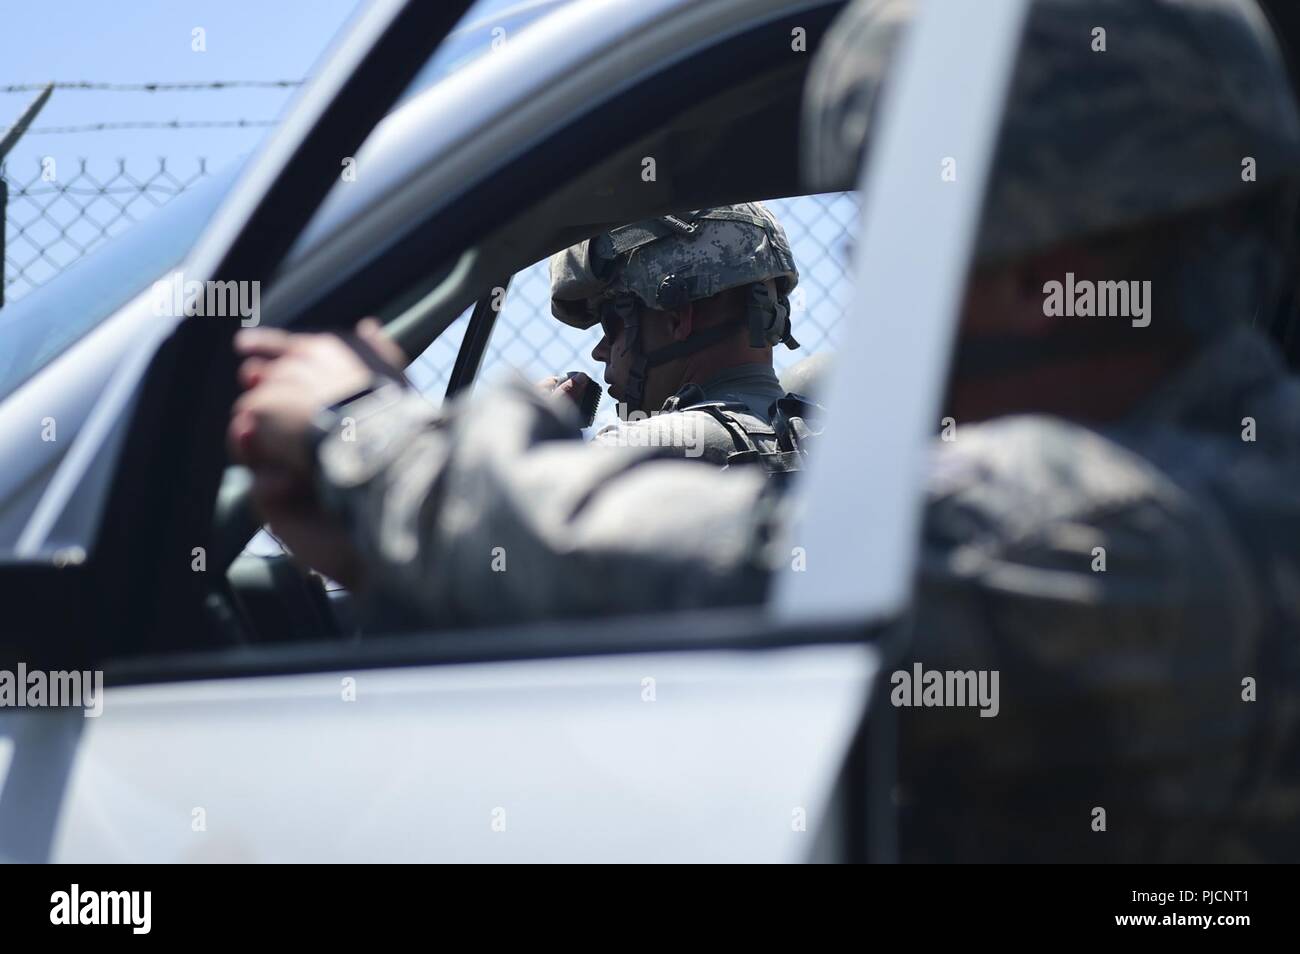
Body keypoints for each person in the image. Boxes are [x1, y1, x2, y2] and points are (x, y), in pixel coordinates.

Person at [228, 0, 1300, 860]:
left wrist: (366, 441)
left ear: (1037, 268)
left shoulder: (1134, 533)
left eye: (904, 231)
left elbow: (746, 569)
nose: (875, 277)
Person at [542, 203, 816, 473]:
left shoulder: (631, 456)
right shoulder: (840, 439)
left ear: (676, 319)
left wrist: (545, 452)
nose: (599, 352)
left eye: (611, 325)